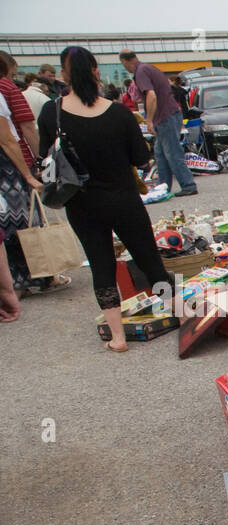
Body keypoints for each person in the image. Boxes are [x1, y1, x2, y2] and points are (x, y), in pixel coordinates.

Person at [38, 47, 177, 352]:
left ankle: (118, 337)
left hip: (82, 203)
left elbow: (44, 156)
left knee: (101, 266)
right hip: (124, 198)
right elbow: (141, 158)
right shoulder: (118, 112)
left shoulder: (53, 112)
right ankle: (179, 316)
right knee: (149, 259)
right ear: (96, 73)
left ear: (64, 75)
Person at [118, 50, 197, 198]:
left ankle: (188, 185)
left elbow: (151, 95)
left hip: (165, 116)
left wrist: (149, 120)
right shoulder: (148, 68)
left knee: (172, 152)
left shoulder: (140, 72)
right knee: (160, 154)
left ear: (125, 61)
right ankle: (163, 187)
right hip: (169, 114)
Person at [0, 92, 47, 313]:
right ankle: (18, 283)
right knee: (17, 224)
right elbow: (7, 138)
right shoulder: (4, 92)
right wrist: (28, 175)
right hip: (6, 168)